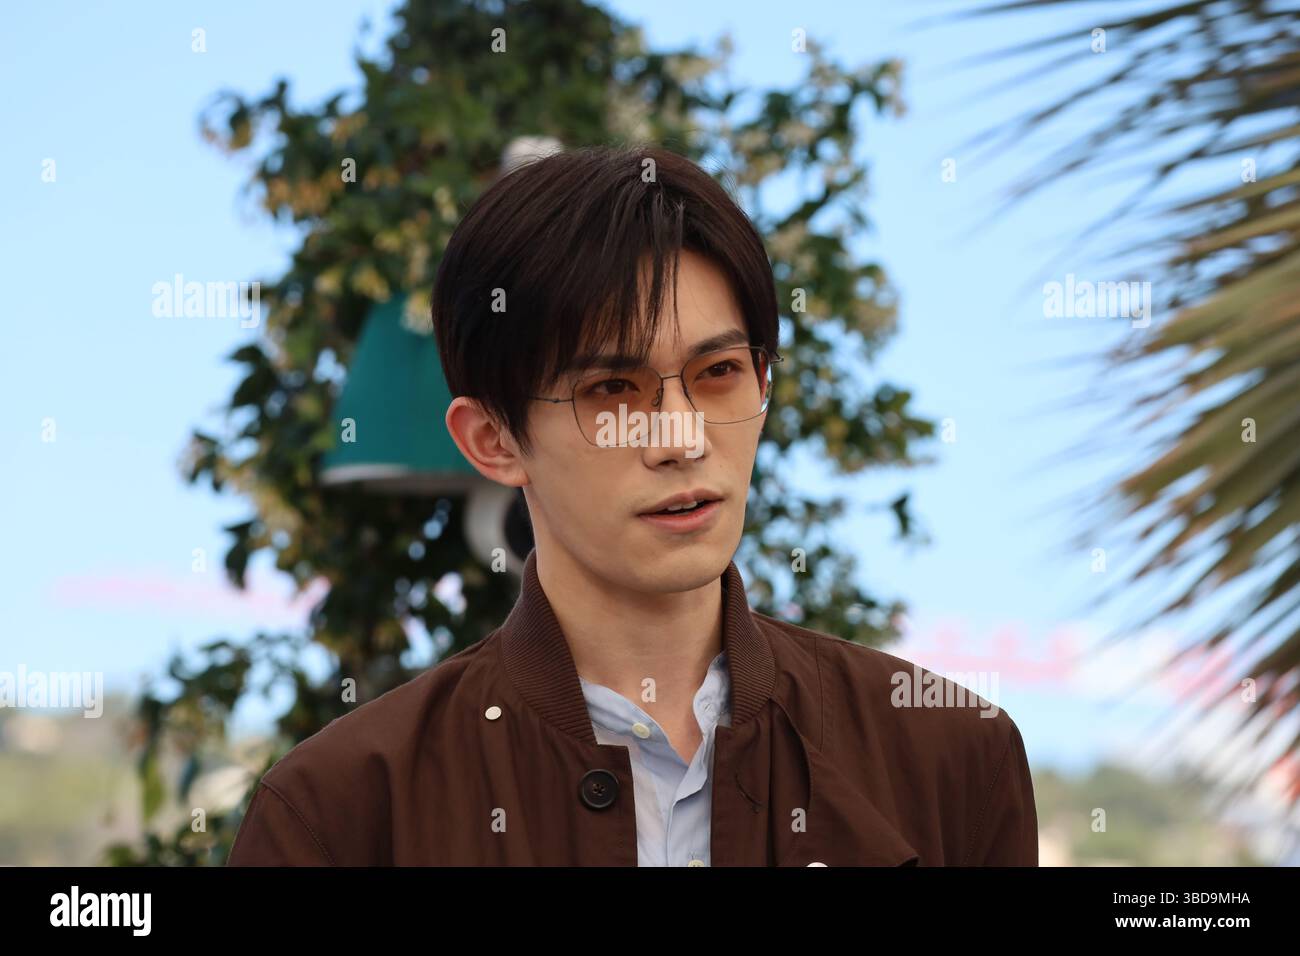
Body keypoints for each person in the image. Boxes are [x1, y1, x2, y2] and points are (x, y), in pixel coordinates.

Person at [226, 144, 1038, 866]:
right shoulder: (343, 813)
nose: (680, 437)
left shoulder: (951, 761)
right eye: (613, 389)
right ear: (493, 439)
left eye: (719, 372)